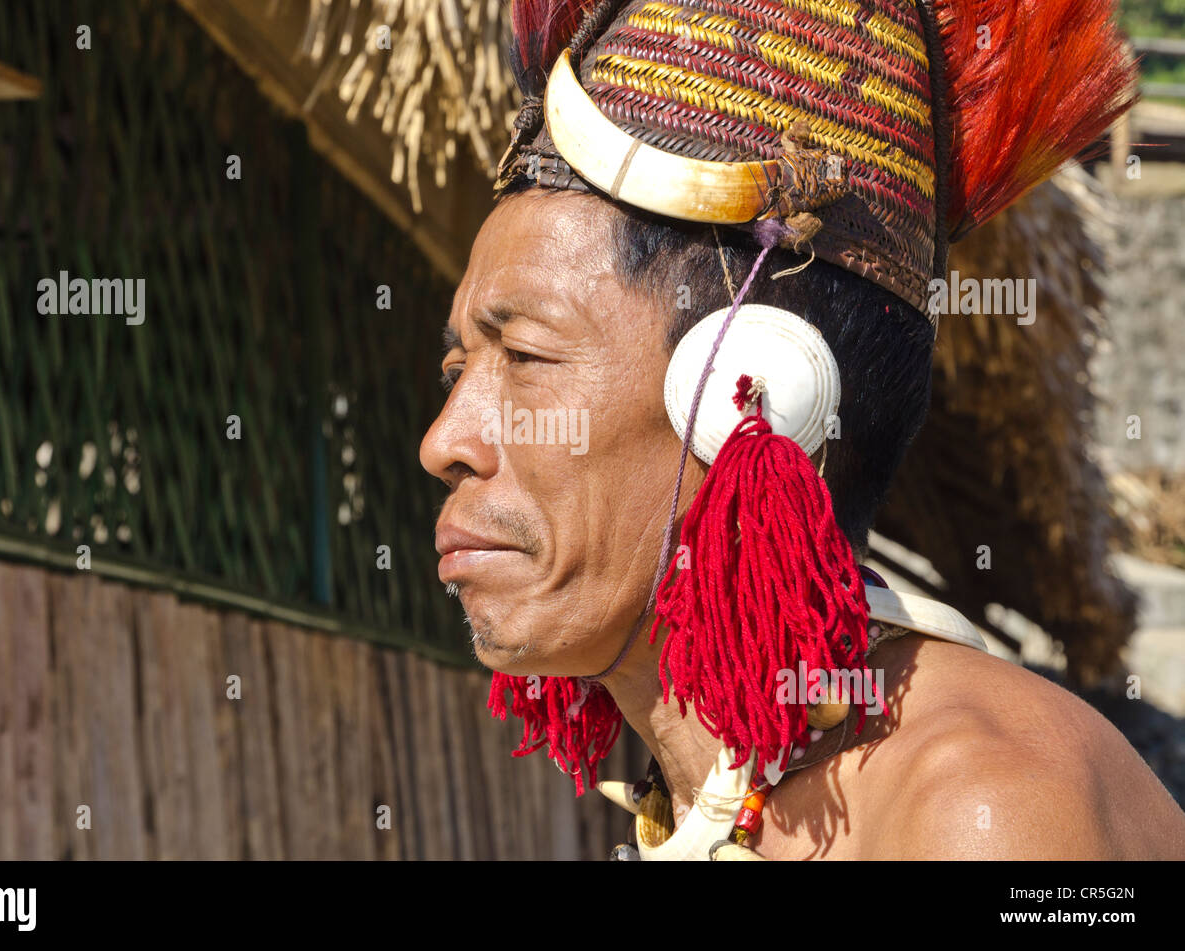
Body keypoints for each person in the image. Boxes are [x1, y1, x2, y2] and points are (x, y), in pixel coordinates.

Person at [419, 0, 1185, 858]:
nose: (444, 441)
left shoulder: (980, 809)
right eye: (458, 371)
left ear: (748, 392)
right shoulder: (736, 788)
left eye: (524, 356)